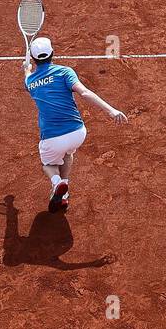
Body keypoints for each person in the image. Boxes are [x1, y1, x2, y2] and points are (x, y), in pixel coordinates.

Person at [23, 36, 127, 213]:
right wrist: (111, 110)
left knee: (48, 165)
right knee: (68, 153)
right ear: (52, 54)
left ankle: (57, 183)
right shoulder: (65, 72)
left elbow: (27, 79)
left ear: (33, 58)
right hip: (77, 133)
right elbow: (85, 93)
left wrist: (26, 70)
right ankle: (64, 191)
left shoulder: (30, 82)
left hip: (52, 139)